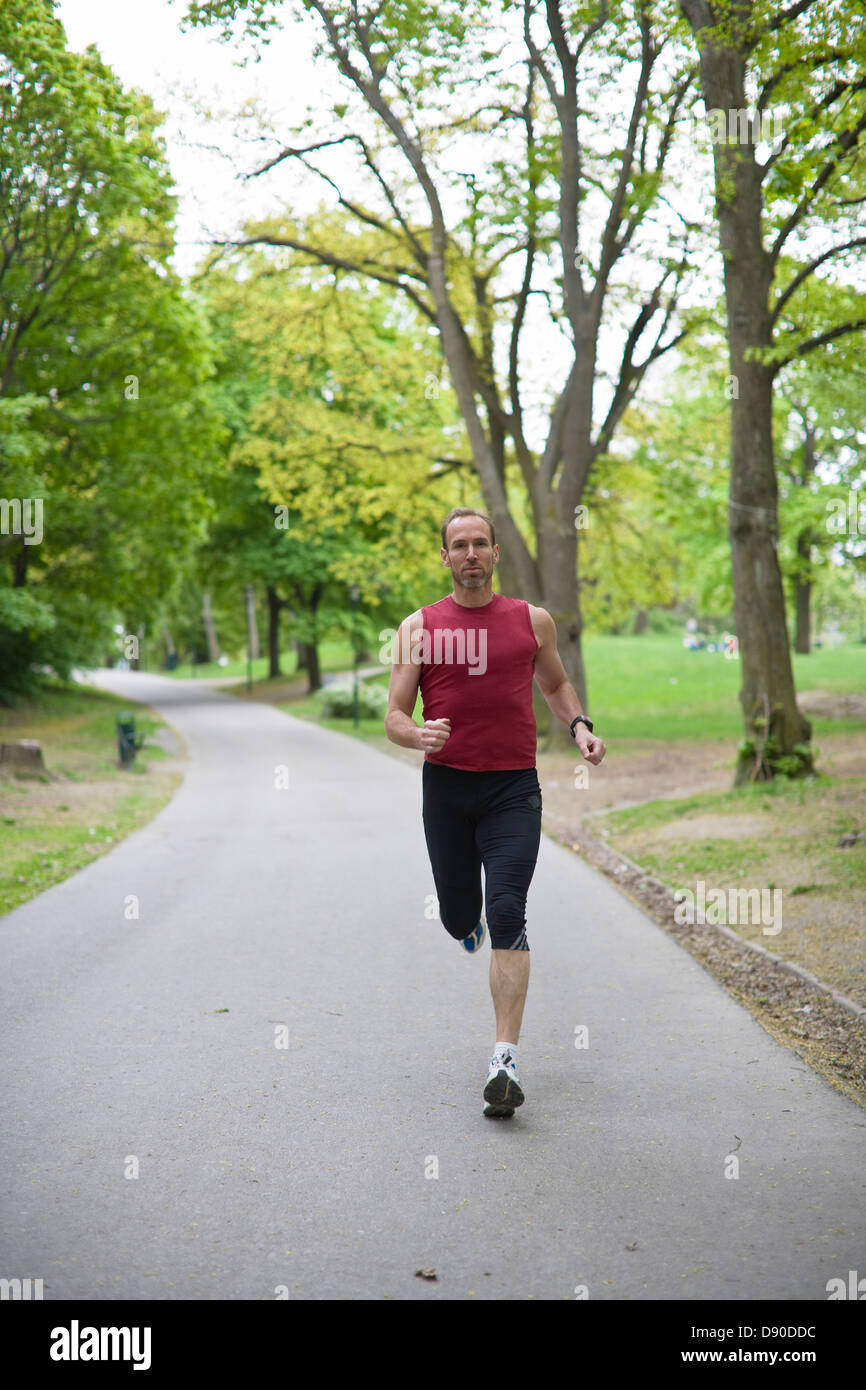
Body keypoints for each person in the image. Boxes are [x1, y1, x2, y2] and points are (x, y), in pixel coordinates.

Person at [385, 507, 606, 1117]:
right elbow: (395, 715)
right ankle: (466, 925)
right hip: (448, 791)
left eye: (481, 543)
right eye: (460, 545)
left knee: (509, 908)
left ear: (497, 552)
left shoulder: (531, 622)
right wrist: (418, 735)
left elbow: (556, 686)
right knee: (461, 917)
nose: (471, 553)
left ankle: (504, 1058)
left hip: (513, 790)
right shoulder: (419, 627)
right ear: (446, 557)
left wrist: (581, 727)